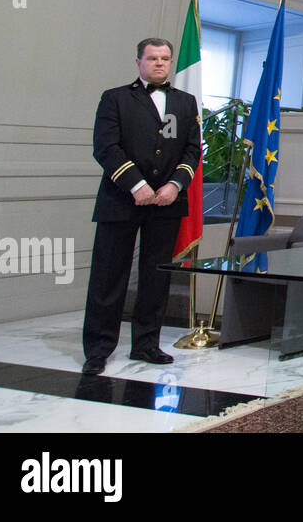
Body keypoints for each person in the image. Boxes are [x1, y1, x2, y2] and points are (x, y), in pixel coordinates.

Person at [81, 38, 201, 376]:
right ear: (139, 62)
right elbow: (105, 148)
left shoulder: (186, 102)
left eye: (165, 58)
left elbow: (192, 150)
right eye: (152, 58)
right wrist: (137, 185)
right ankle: (99, 350)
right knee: (109, 277)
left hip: (166, 201)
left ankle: (146, 344)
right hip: (121, 199)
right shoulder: (115, 98)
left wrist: (173, 185)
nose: (160, 63)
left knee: (156, 277)